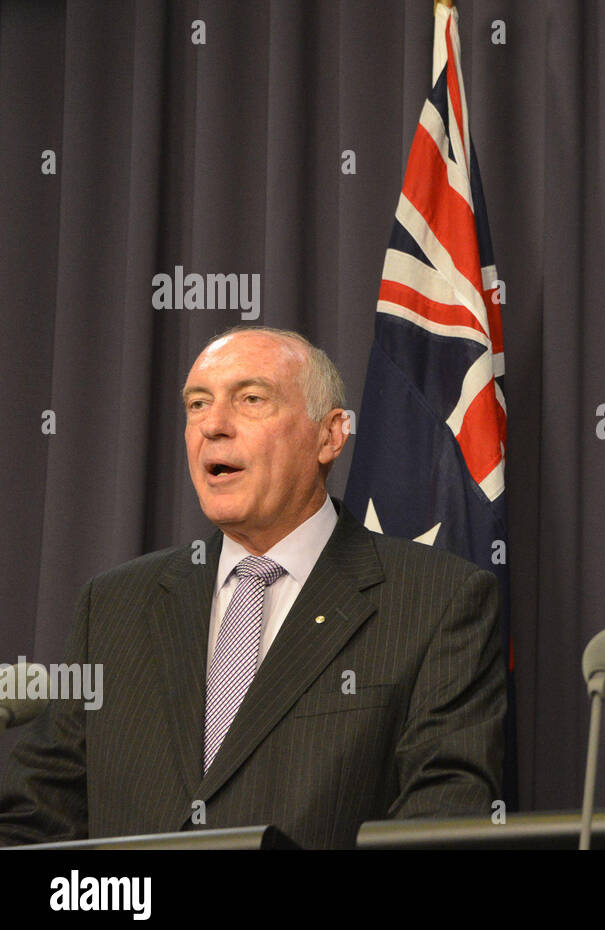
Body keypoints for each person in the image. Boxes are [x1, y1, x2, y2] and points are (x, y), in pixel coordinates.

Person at [0, 327, 505, 849]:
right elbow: (32, 821)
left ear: (330, 436)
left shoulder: (438, 601)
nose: (213, 426)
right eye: (197, 404)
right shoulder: (112, 606)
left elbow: (440, 820)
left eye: (251, 399)